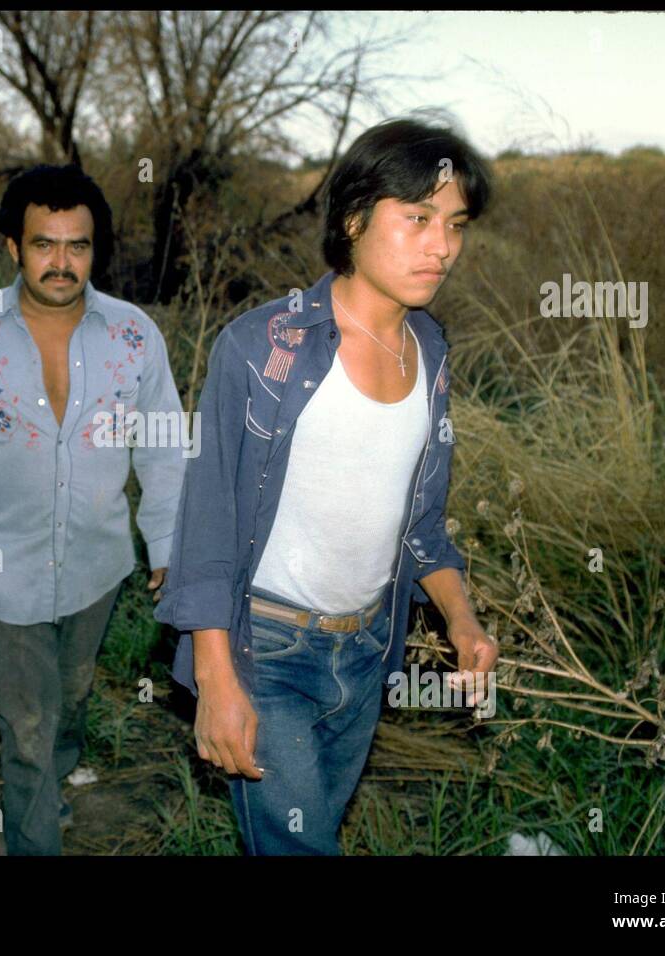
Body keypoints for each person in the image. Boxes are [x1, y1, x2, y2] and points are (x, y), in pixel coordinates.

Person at [153, 118, 501, 855]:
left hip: (371, 647)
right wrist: (216, 680)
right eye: (417, 219)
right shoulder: (260, 347)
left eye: (455, 224)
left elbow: (420, 522)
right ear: (353, 219)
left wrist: (460, 619)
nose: (443, 246)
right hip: (267, 651)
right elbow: (208, 526)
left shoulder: (430, 347)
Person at [0, 164, 186, 854]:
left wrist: (169, 547)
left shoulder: (134, 334)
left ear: (96, 249)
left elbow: (165, 447)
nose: (62, 263)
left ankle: (55, 780)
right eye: (44, 245)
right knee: (25, 726)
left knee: (71, 699)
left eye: (78, 246)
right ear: (11, 247)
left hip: (98, 564)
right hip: (5, 570)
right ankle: (35, 833)